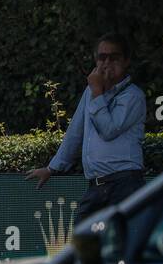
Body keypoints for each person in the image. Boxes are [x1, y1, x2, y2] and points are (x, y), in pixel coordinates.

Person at [26, 34, 146, 225]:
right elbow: (76, 132)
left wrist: (98, 92)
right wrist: (51, 168)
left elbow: (108, 130)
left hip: (125, 184)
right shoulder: (90, 92)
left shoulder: (133, 96)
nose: (107, 63)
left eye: (114, 57)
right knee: (84, 245)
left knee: (122, 247)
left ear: (126, 61)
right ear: (95, 60)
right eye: (102, 57)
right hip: (97, 187)